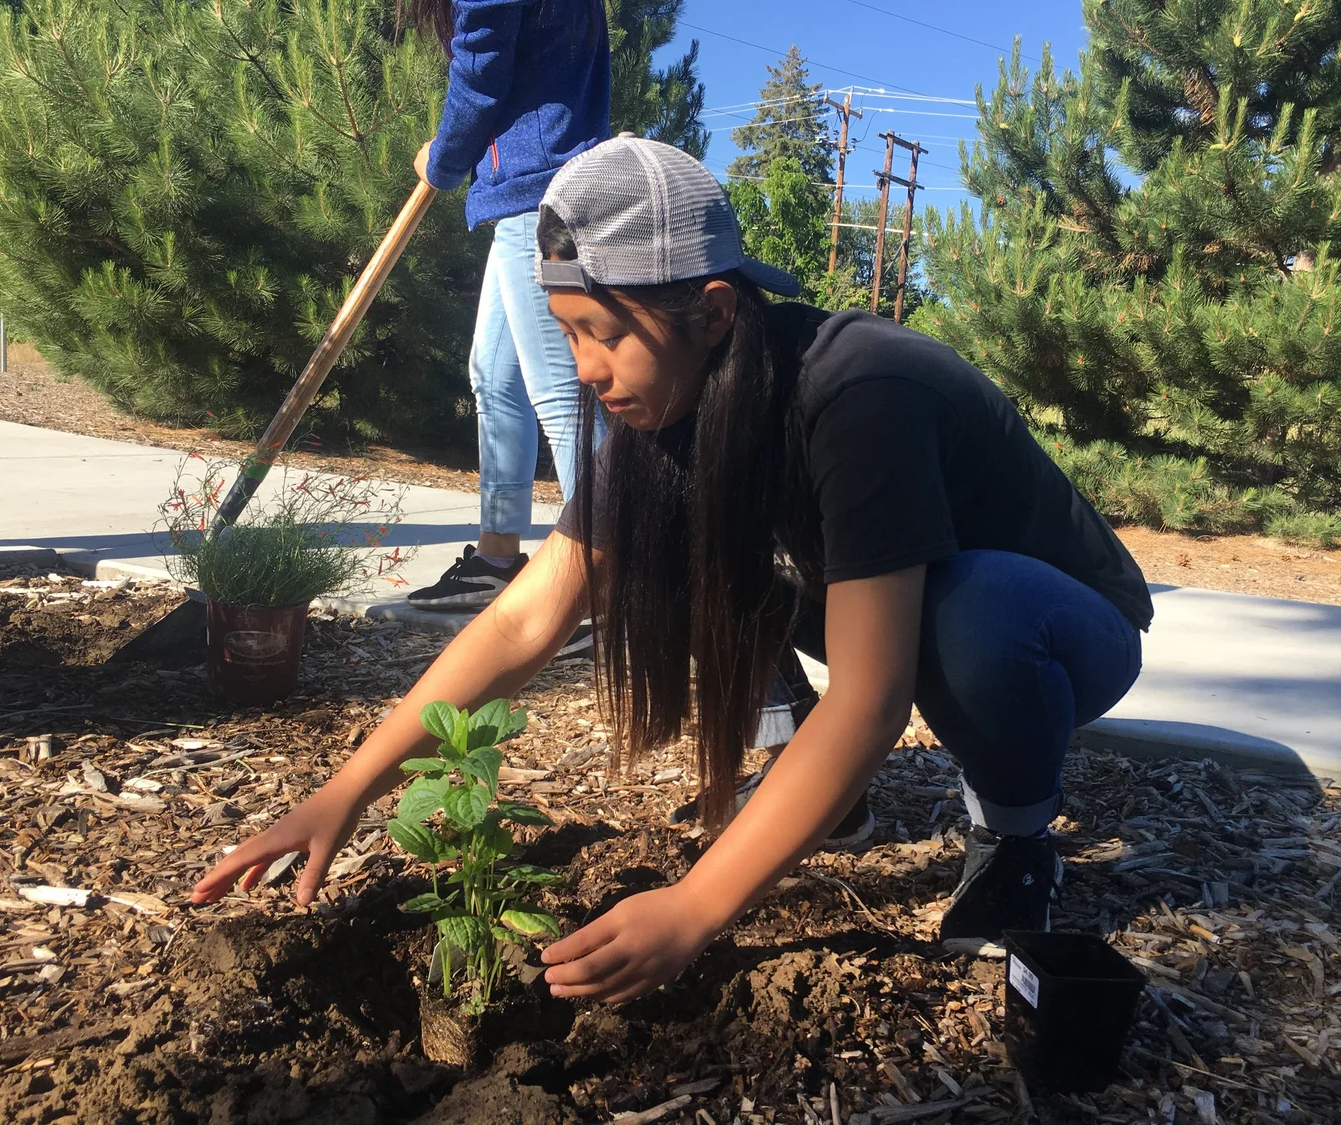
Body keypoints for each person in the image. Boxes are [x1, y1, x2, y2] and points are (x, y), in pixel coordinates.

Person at [192, 137, 1152, 1002]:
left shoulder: (862, 390)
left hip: (1057, 628)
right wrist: (345, 789)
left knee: (968, 614)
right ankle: (825, 792)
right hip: (899, 595)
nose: (584, 370)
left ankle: (1018, 833)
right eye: (567, 334)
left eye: (602, 333)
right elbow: (528, 618)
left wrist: (695, 906)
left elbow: (873, 696)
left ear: (714, 311)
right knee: (683, 546)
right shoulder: (670, 415)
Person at [401, 0, 609, 614]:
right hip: (523, 194)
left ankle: (610, 585)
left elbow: (481, 74)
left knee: (564, 397)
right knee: (494, 377)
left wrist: (441, 160)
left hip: (536, 194)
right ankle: (497, 558)